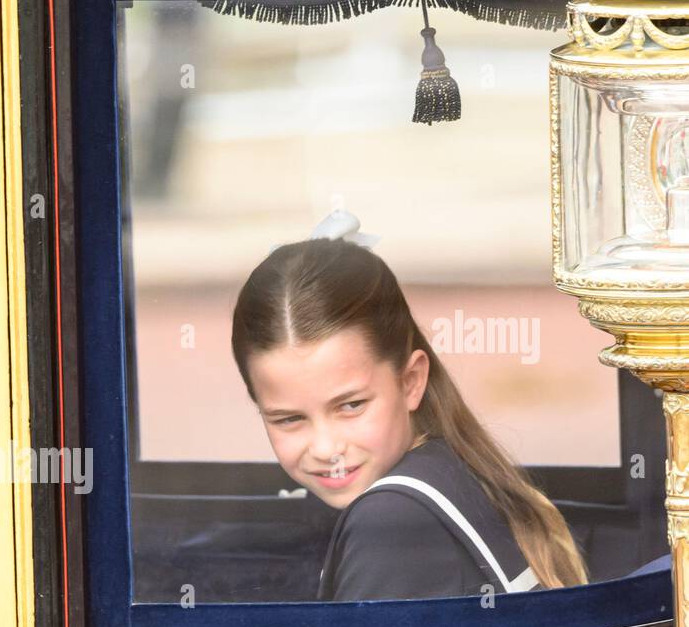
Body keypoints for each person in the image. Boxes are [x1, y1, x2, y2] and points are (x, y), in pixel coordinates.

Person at [230, 221, 587, 602]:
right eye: (289, 419)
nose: (325, 447)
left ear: (411, 381)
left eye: (351, 405)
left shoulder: (389, 521)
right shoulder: (453, 466)